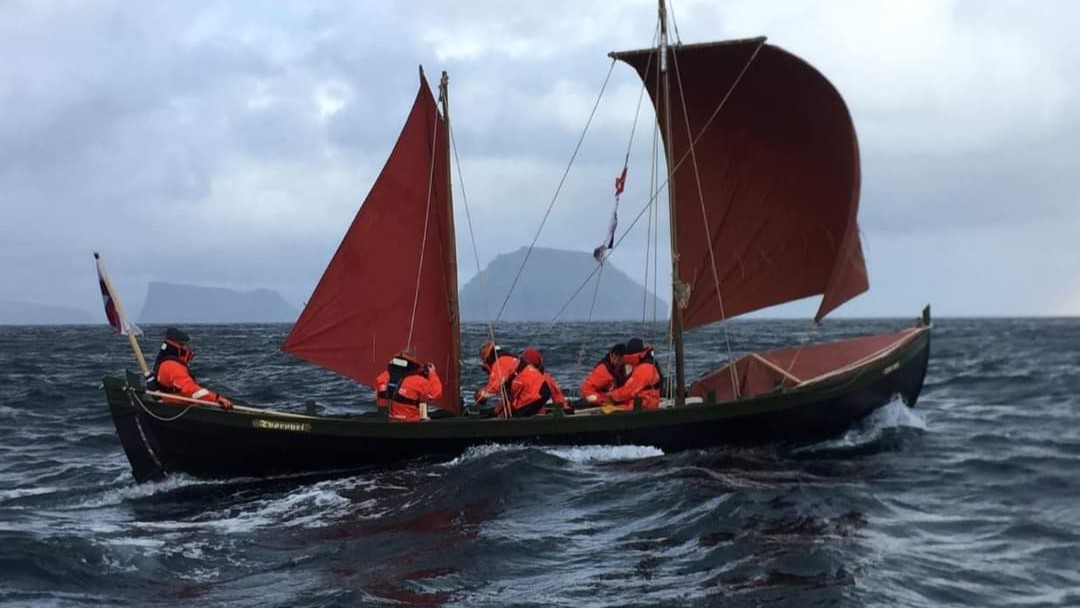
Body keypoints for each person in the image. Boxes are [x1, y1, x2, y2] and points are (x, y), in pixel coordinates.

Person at [150, 327, 233, 409]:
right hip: (179, 409)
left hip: (175, 406)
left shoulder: (165, 363)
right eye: (187, 345)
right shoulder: (172, 366)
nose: (190, 349)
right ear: (179, 347)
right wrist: (216, 398)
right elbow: (189, 389)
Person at [475, 342, 549, 418]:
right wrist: (495, 413)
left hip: (535, 393)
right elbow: (507, 398)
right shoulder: (506, 360)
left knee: (515, 417)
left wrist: (481, 396)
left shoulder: (500, 362)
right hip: (536, 391)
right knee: (512, 414)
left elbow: (493, 387)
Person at [374, 351, 442, 422]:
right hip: (410, 421)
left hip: (389, 419)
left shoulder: (382, 377)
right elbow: (435, 393)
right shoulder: (418, 381)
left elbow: (378, 392)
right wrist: (432, 374)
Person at [606, 338, 662, 410]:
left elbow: (628, 391)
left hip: (644, 406)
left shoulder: (644, 368)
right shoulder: (644, 365)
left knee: (607, 410)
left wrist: (608, 396)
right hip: (643, 403)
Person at [521, 346, 572, 414]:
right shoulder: (545, 378)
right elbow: (558, 398)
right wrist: (567, 410)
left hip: (518, 413)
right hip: (537, 416)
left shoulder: (517, 378)